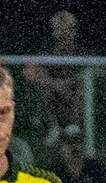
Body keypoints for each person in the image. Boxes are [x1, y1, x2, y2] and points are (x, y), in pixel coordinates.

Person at [22, 11, 84, 145]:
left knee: (82, 84)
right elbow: (29, 71)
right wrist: (55, 84)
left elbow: (98, 70)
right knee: (42, 81)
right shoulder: (47, 49)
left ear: (74, 30)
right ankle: (54, 127)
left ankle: (73, 126)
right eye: (59, 29)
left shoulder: (82, 49)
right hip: (52, 89)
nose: (64, 33)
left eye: (68, 29)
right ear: (53, 31)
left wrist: (67, 83)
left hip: (74, 88)